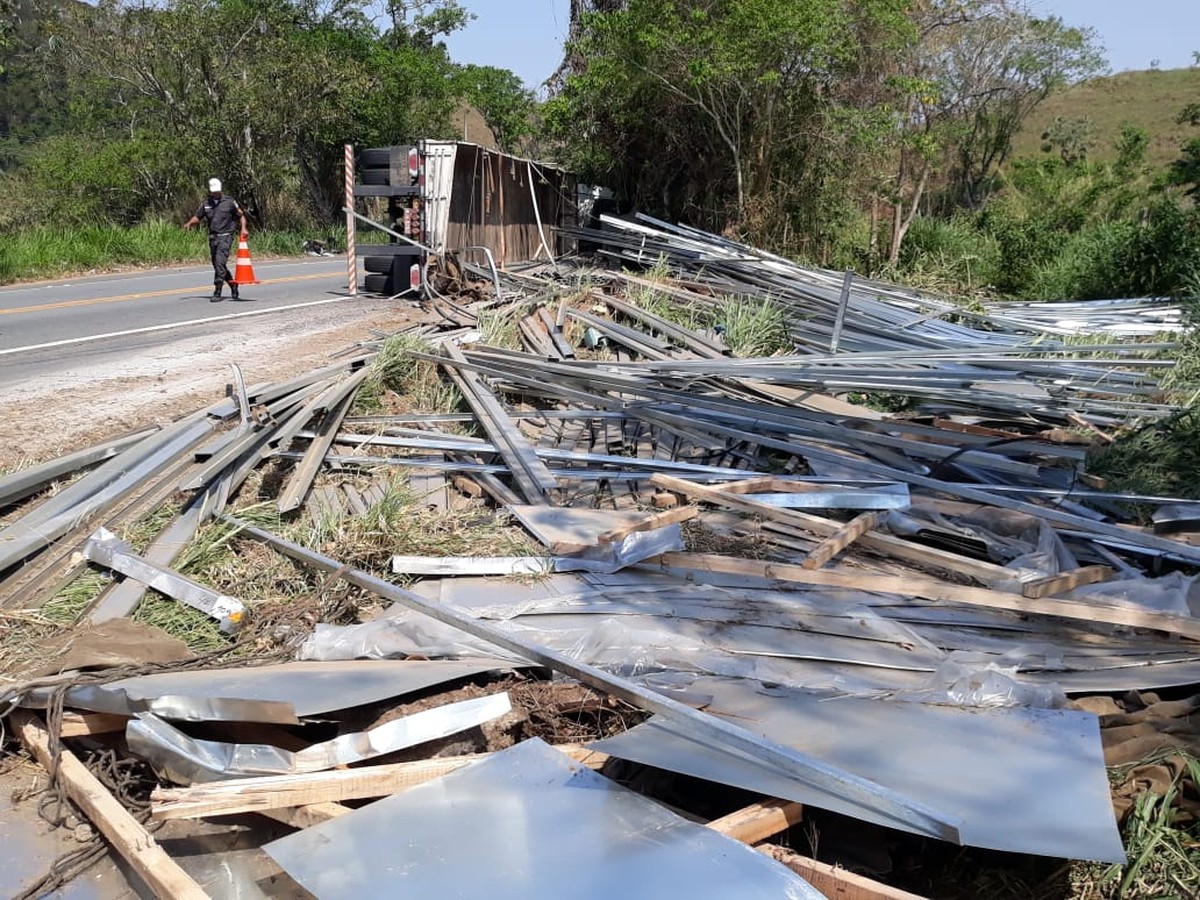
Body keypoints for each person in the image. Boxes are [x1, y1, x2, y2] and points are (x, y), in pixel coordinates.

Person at [184, 178, 248, 301]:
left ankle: (217, 291)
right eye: (214, 191)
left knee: (220, 263)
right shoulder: (207, 204)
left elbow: (241, 215)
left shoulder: (229, 202)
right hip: (213, 238)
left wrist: (243, 228)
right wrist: (189, 223)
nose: (216, 193)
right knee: (218, 265)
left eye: (217, 191)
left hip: (226, 236)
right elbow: (198, 216)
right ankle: (233, 284)